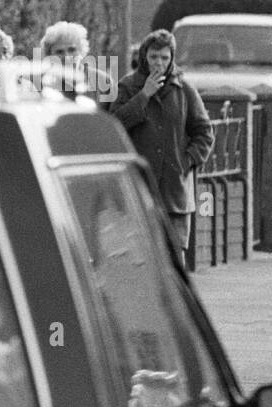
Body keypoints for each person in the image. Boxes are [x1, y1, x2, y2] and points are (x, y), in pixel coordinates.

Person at [109, 29, 214, 256]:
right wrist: (144, 95)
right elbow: (115, 124)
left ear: (171, 58)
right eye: (154, 57)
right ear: (145, 57)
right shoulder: (128, 86)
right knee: (142, 258)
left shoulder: (183, 89)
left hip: (174, 192)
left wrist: (187, 161)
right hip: (140, 189)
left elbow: (204, 132)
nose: (159, 63)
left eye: (165, 58)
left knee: (175, 259)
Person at [39, 21, 113, 102]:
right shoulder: (41, 84)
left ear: (81, 50)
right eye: (59, 52)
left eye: (72, 50)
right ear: (49, 55)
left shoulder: (102, 81)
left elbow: (112, 114)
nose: (67, 57)